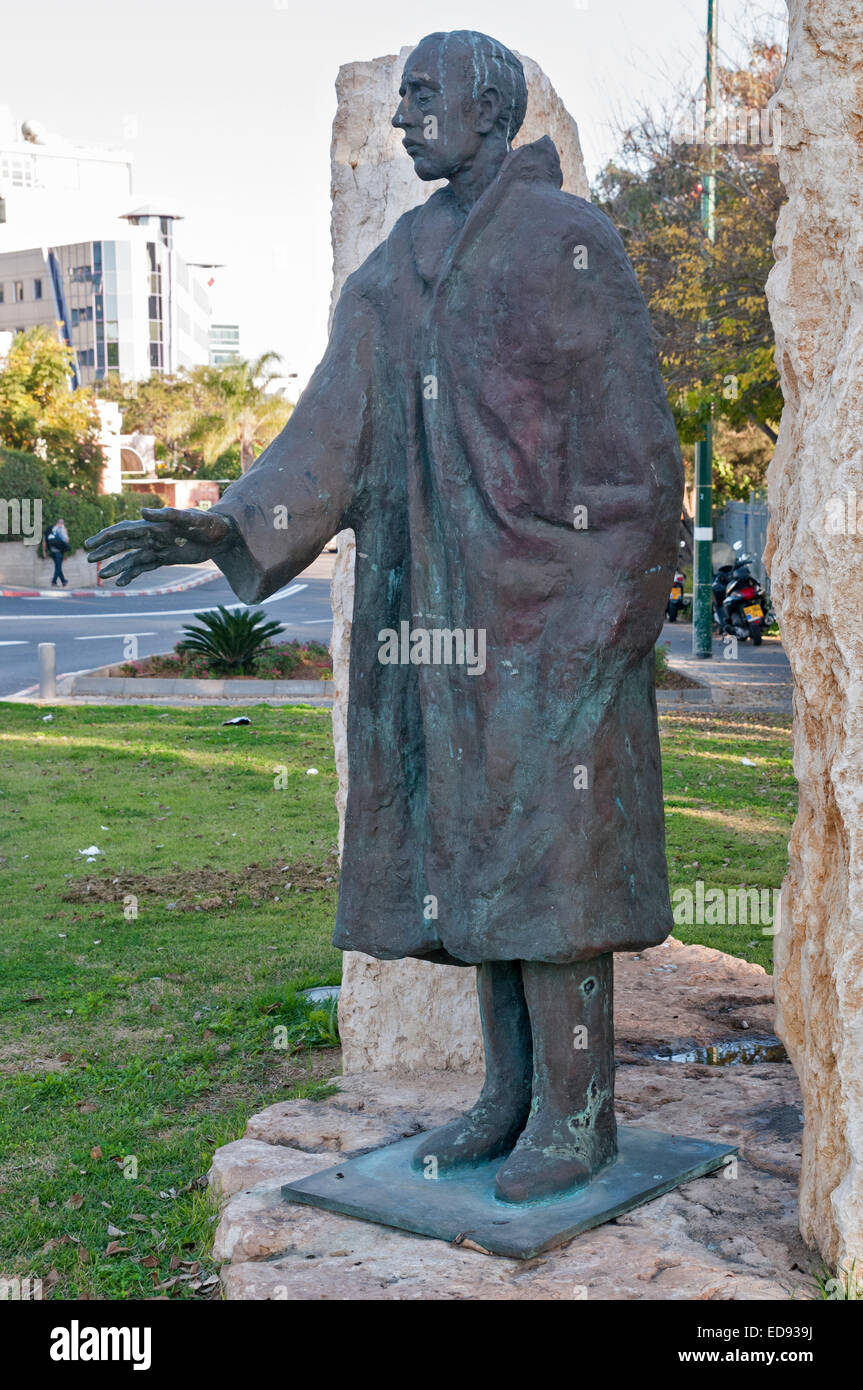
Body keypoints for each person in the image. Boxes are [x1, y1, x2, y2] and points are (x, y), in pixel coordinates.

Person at [85, 30, 683, 1203]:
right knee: (470, 854)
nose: (406, 119)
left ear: (488, 108)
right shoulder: (397, 265)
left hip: (551, 621)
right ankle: (507, 1099)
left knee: (553, 864)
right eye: (402, 98)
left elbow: (641, 460)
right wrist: (227, 522)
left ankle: (580, 1114)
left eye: (424, 99)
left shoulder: (570, 243)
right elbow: (328, 435)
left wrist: (605, 630)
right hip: (440, 624)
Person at [44, 519, 70, 587]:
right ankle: (54, 582)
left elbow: (45, 540)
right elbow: (66, 541)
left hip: (52, 551)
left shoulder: (52, 529)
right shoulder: (62, 529)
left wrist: (44, 551)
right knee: (58, 567)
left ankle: (63, 581)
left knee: (58, 567)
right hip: (59, 552)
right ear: (62, 523)